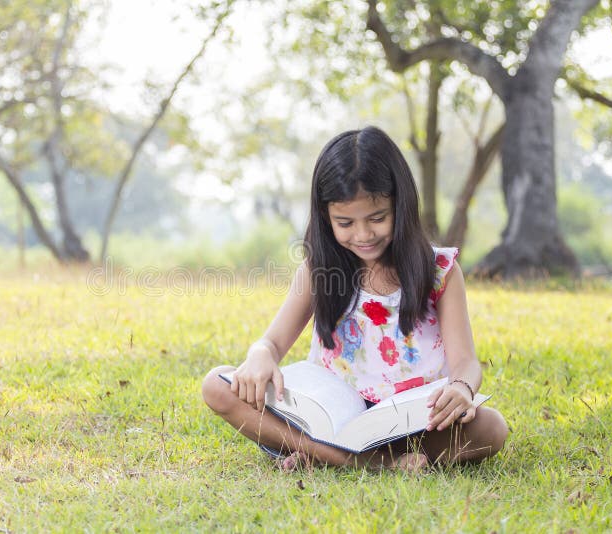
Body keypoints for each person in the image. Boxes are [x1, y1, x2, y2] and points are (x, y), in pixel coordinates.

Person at [201, 126, 508, 472]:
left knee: (492, 428)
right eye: (345, 223)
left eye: (377, 218)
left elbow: (466, 361)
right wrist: (259, 355)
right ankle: (368, 463)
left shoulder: (439, 271)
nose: (363, 235)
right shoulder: (319, 270)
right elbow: (272, 342)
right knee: (217, 384)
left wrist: (462, 388)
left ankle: (322, 456)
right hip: (329, 418)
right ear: (325, 217)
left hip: (409, 424)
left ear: (401, 205)